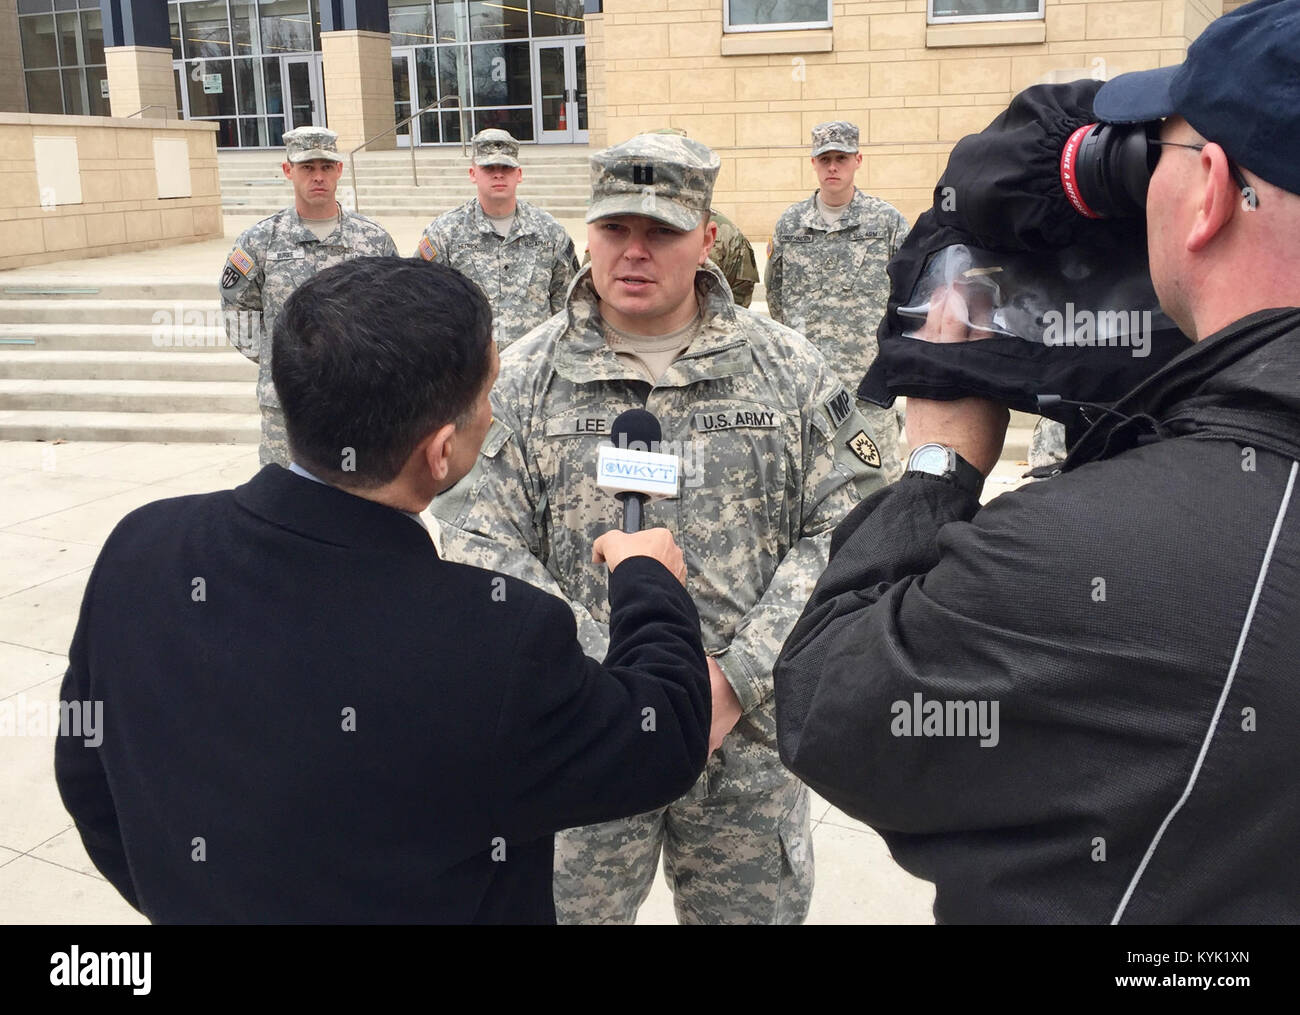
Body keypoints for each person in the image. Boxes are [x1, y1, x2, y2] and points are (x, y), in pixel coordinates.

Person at [774, 0, 1300, 923]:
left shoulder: (1084, 562)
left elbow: (834, 706)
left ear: (1210, 190)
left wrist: (939, 465)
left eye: (1160, 156)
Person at [54, 256, 712, 924]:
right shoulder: (497, 641)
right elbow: (664, 736)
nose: (492, 414)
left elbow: (89, 783)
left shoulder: (138, 551)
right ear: (440, 451)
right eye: (487, 395)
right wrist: (647, 579)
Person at [430, 133, 887, 924]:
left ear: (708, 237)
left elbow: (852, 527)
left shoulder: (787, 369)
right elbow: (478, 543)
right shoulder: (524, 377)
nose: (634, 252)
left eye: (662, 231)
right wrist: (618, 677)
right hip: (583, 739)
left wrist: (733, 679)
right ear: (588, 231)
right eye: (615, 229)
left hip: (742, 748)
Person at [219, 127, 398, 467]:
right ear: (289, 171)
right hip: (287, 404)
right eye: (307, 168)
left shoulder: (373, 241)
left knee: (353, 500)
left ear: (339, 170)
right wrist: (282, 358)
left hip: (354, 401)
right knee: (283, 502)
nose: (318, 176)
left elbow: (394, 314)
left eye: (326, 167)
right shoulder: (260, 241)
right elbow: (236, 308)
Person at [765, 121, 911, 479]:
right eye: (825, 158)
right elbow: (776, 294)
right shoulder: (791, 224)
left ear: (858, 160)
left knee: (879, 485)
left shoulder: (887, 222)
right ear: (813, 163)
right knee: (810, 482)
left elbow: (908, 295)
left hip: (870, 386)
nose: (833, 166)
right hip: (809, 386)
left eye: (841, 158)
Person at [415, 128, 579, 349]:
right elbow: (423, 303)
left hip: (534, 368)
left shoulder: (549, 232)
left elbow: (567, 305)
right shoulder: (444, 233)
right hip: (471, 368)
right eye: (488, 168)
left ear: (519, 174)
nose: (498, 174)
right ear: (473, 173)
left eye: (506, 168)